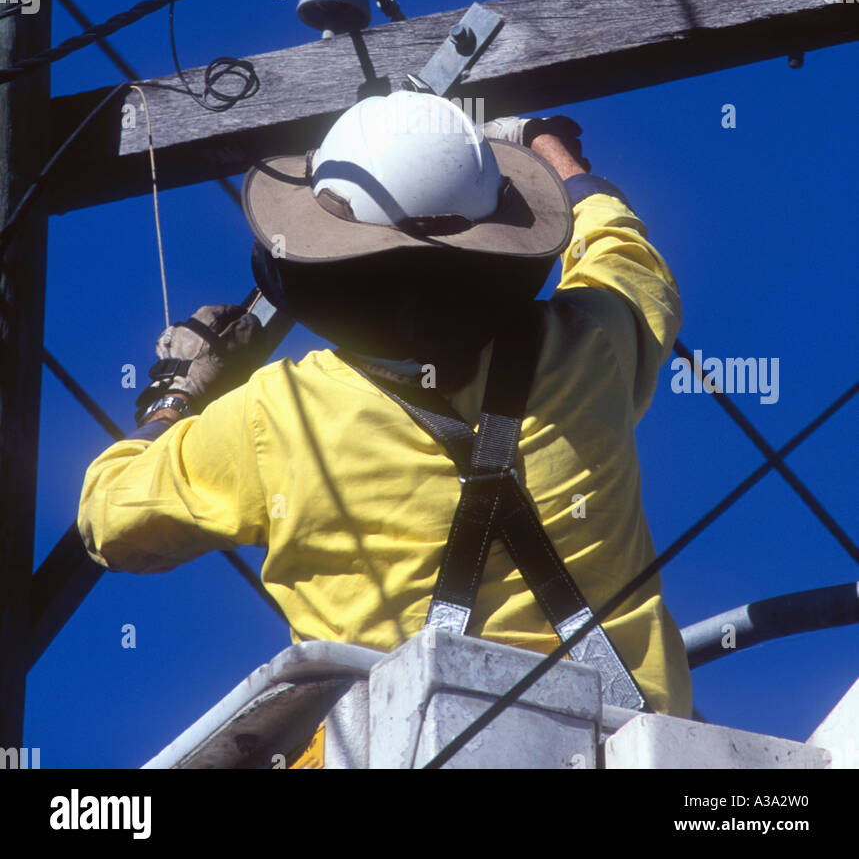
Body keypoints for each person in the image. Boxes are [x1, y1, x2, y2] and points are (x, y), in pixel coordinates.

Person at [78, 92, 692, 717]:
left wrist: (178, 391)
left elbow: (111, 515)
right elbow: (619, 246)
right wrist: (543, 142)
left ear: (323, 275)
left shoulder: (276, 416)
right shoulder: (592, 344)